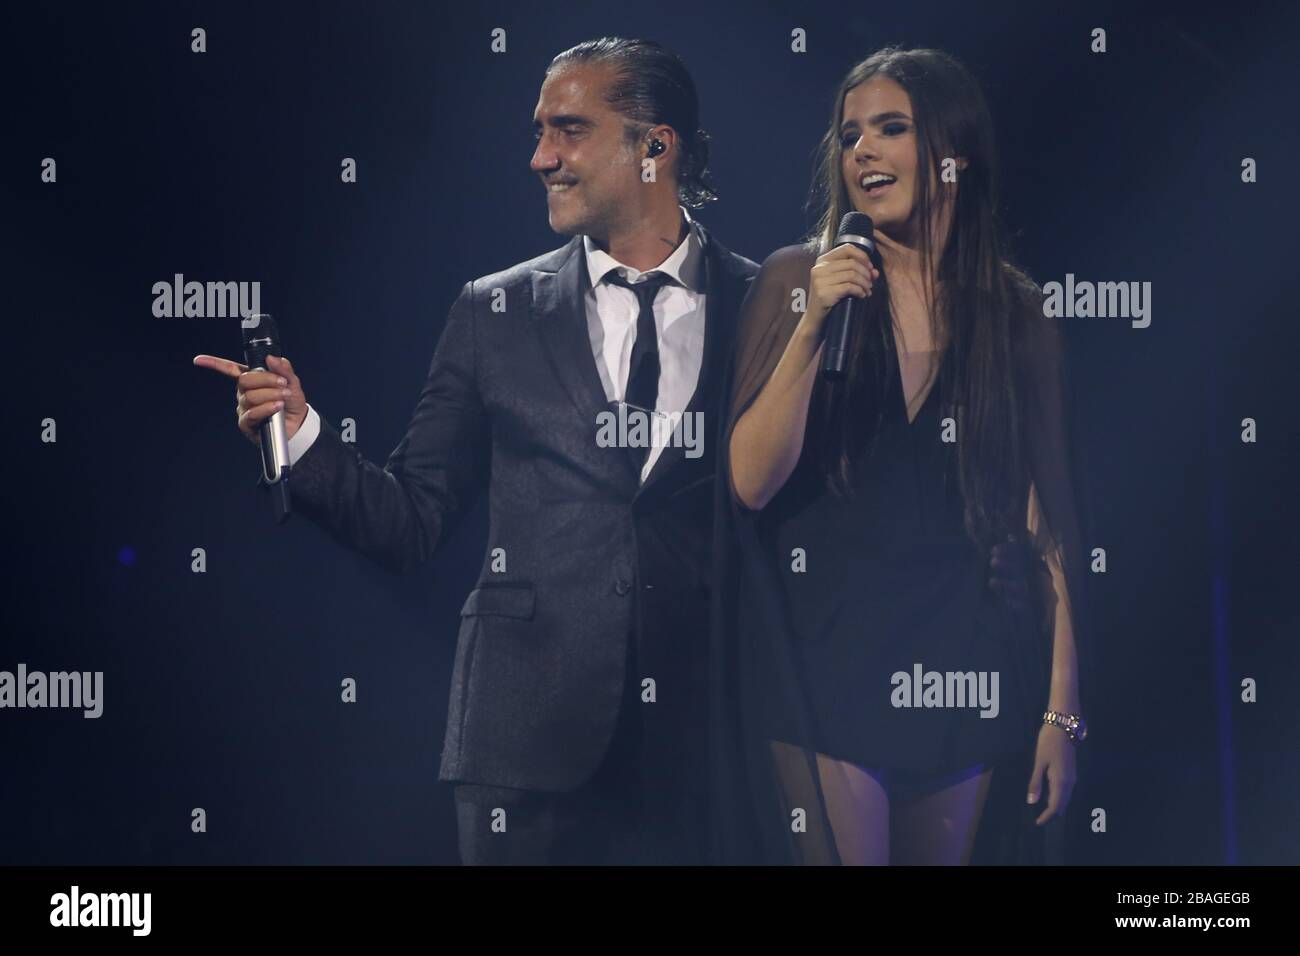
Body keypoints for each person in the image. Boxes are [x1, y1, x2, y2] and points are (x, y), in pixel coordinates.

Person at [195, 37, 759, 865]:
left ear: (655, 145)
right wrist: (302, 431)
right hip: (523, 751)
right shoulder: (491, 312)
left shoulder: (766, 302)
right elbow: (411, 520)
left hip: (708, 750)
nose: (541, 158)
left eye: (568, 130)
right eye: (538, 132)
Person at [709, 46, 1094, 865]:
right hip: (825, 663)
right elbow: (747, 481)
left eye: (890, 129)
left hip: (959, 662)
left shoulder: (1016, 317)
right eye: (850, 136)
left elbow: (1046, 528)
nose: (863, 154)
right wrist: (814, 322)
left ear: (952, 152)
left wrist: (1061, 714)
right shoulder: (794, 281)